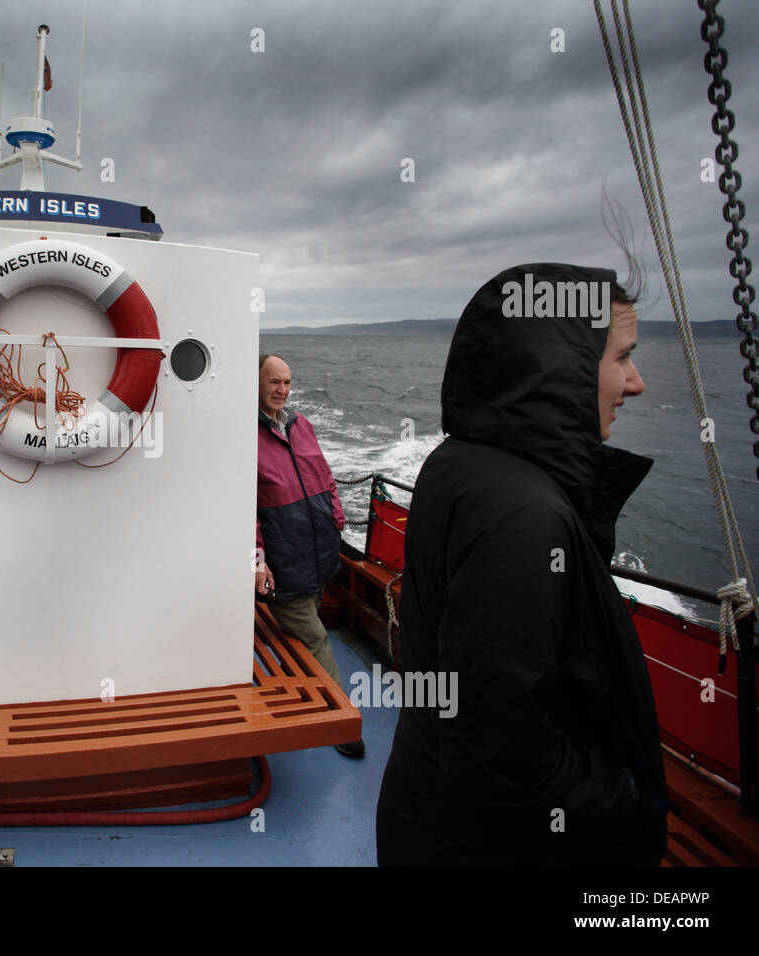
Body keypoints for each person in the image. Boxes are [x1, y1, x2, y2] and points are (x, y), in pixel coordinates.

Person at [376, 262, 668, 865]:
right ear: (561, 369)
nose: (635, 382)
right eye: (622, 357)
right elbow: (501, 759)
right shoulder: (524, 517)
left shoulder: (460, 462)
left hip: (427, 814)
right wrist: (634, 804)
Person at [255, 354, 364, 757]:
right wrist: (257, 561)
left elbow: (326, 476)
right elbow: (243, 510)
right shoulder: (245, 437)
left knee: (307, 626)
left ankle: (296, 683)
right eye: (273, 382)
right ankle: (342, 723)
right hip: (284, 565)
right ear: (256, 384)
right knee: (316, 638)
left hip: (319, 557)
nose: (282, 389)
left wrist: (336, 515)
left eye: (287, 382)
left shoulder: (303, 427)